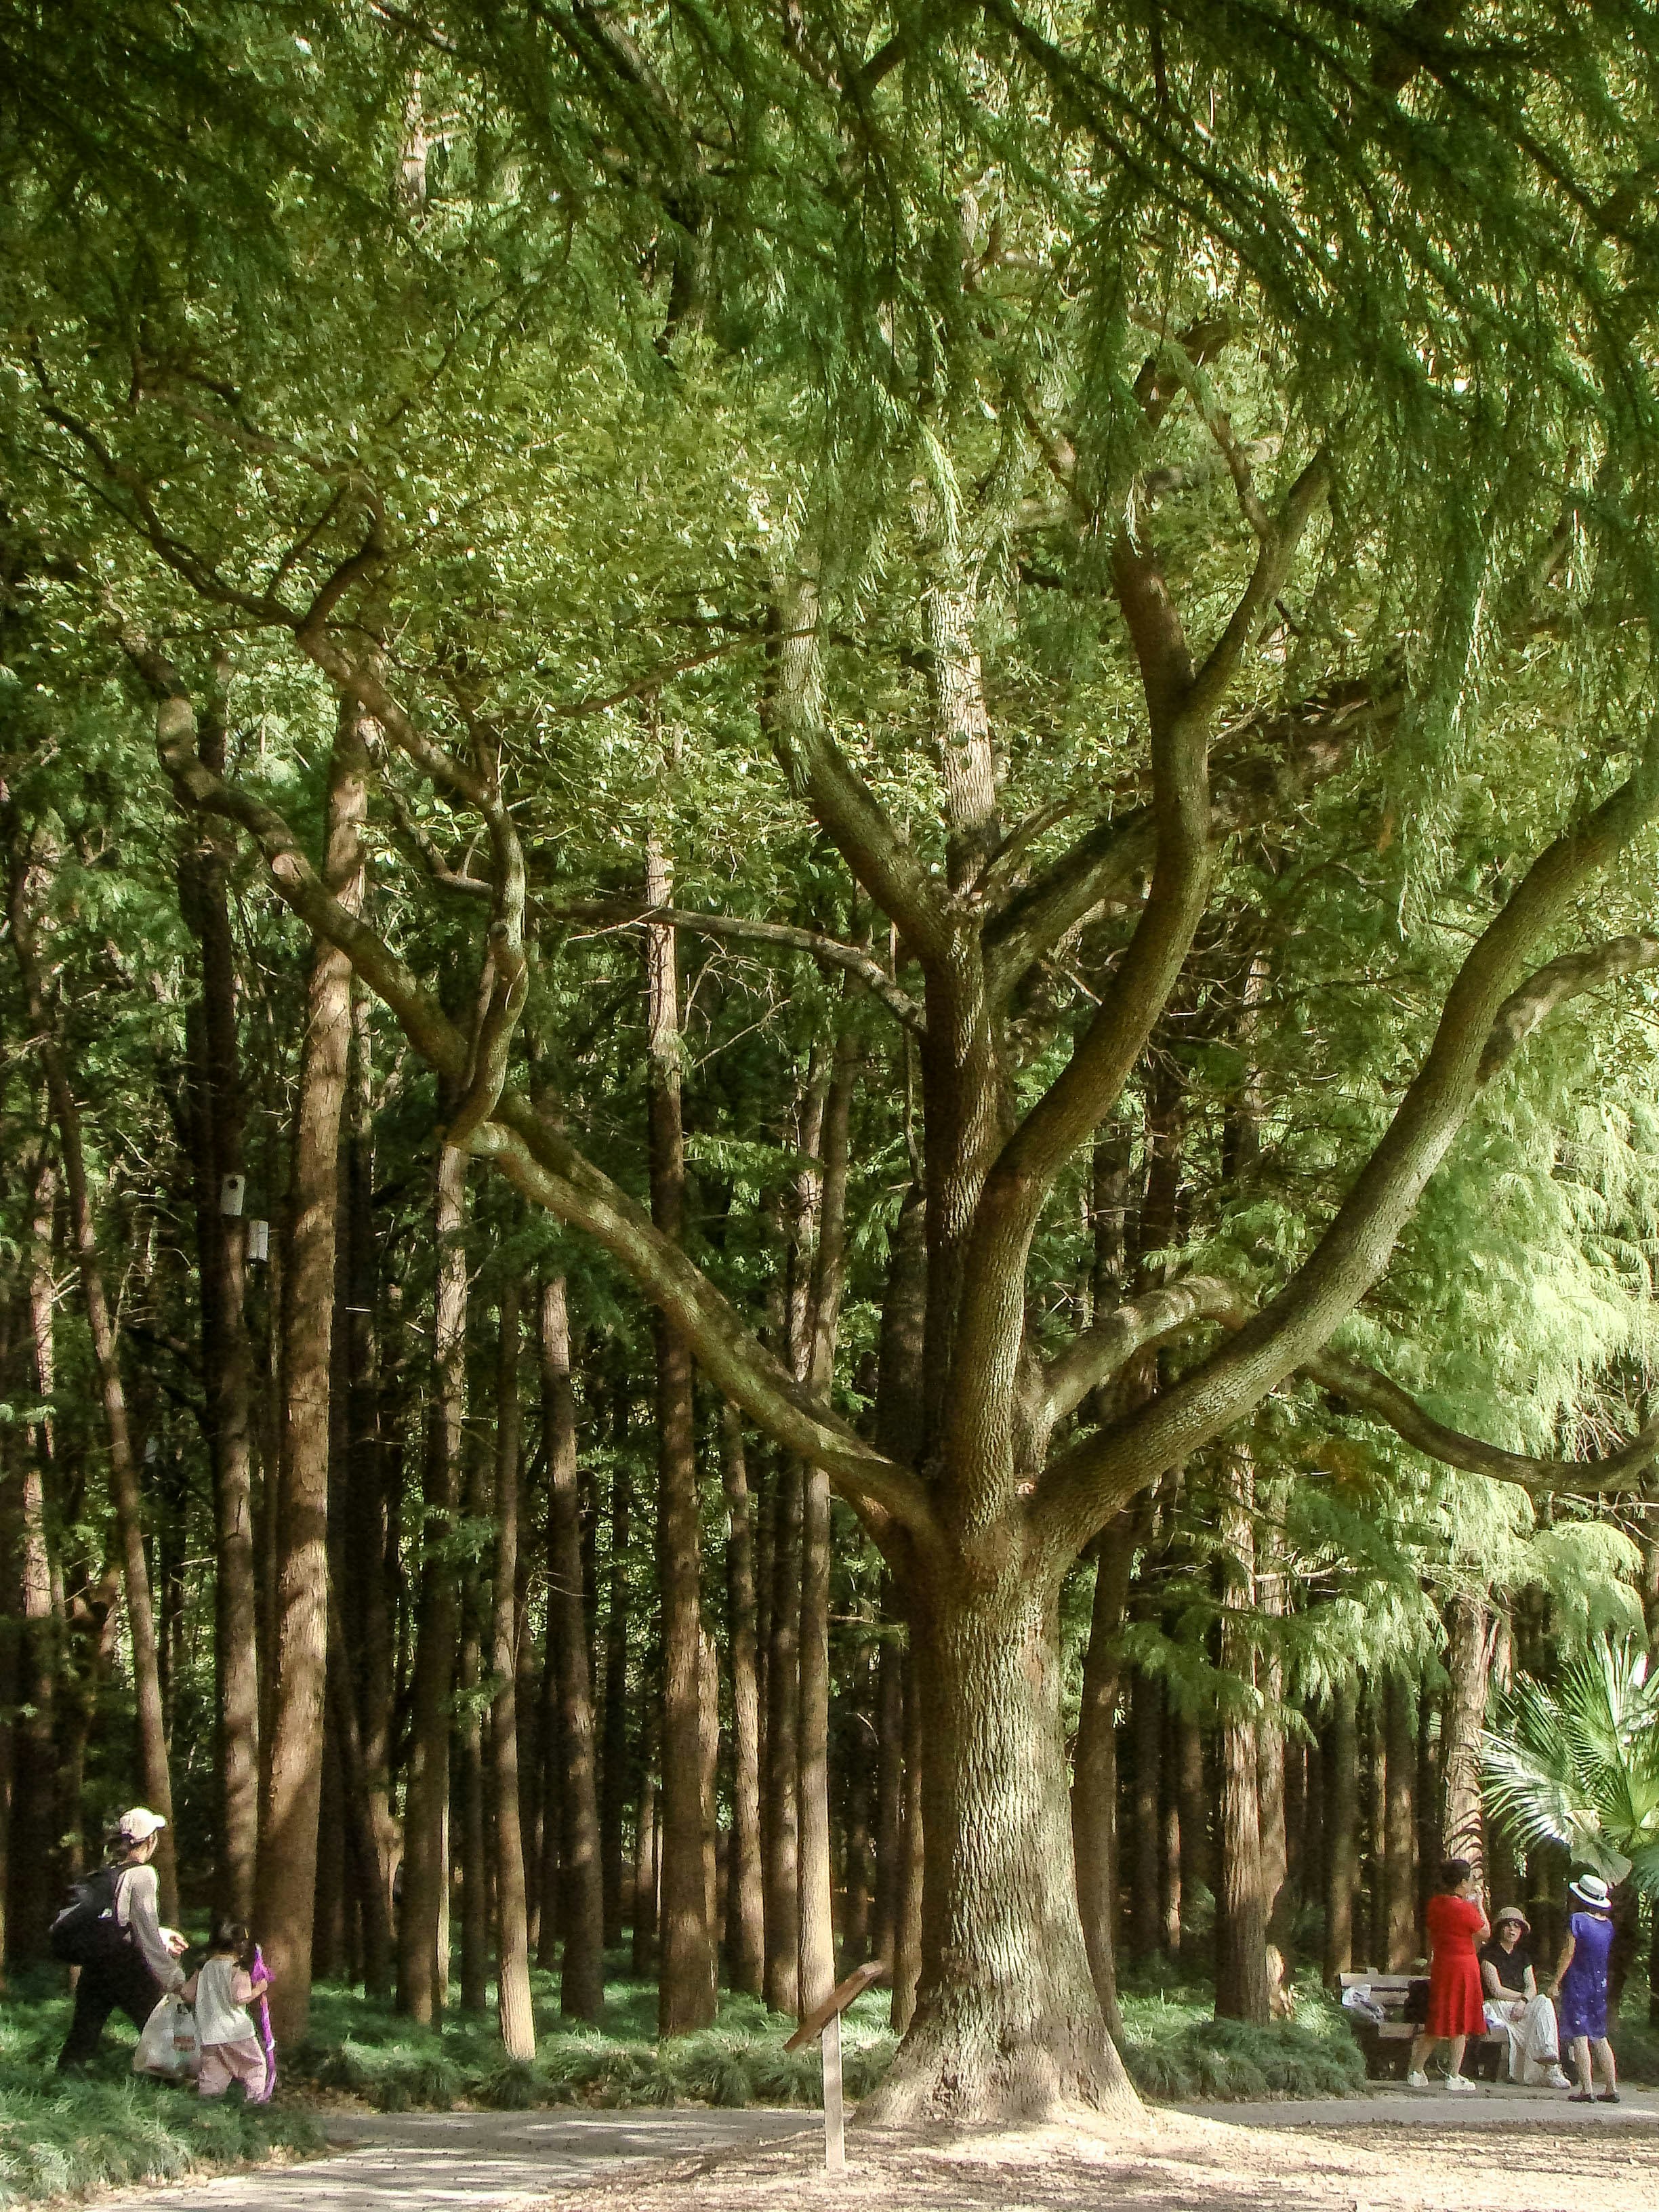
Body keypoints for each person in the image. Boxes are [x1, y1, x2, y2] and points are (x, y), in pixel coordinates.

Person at [56, 1807, 188, 2072]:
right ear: (149, 1841)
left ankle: (59, 2086)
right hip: (127, 1968)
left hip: (97, 1964)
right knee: (160, 2026)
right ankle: (182, 2086)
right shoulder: (143, 1874)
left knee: (82, 2035)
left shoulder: (108, 1872)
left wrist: (161, 1933)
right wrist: (174, 1978)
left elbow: (118, 1921)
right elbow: (146, 1935)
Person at [1406, 1858, 1488, 2091]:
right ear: (1462, 1882)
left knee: (1438, 2020)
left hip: (1442, 1964)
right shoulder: (1464, 1908)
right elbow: (1485, 1932)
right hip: (1463, 1966)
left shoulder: (1435, 1904)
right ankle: (1454, 2075)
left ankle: (1416, 2070)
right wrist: (1479, 1905)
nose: (1472, 1884)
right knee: (1461, 2021)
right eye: (1471, 1879)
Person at [1479, 1906, 1570, 2088]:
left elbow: (1532, 1987)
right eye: (1509, 1926)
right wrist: (1522, 1999)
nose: (1512, 1930)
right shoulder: (1489, 1954)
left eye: (1517, 1927)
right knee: (1538, 2013)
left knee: (1544, 2002)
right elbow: (1496, 1990)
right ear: (1500, 1928)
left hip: (1520, 2006)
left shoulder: (1523, 1956)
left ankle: (1550, 2062)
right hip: (1497, 2007)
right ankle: (1548, 2067)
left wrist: (1523, 2002)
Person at [1549, 1872, 1619, 2104]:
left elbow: (1568, 1952)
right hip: (1599, 1984)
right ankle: (1611, 2087)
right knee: (1599, 2035)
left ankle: (1586, 2088)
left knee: (1579, 2036)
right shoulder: (1607, 1926)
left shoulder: (1577, 1920)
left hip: (1578, 1982)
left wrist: (1555, 1982)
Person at [181, 1921, 271, 2101]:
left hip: (208, 2034)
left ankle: (208, 2108)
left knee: (213, 2075)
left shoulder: (204, 1968)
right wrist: (259, 1989)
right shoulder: (237, 1969)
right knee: (255, 2066)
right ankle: (256, 2103)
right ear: (242, 1947)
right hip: (236, 2032)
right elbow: (240, 1998)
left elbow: (187, 1994)